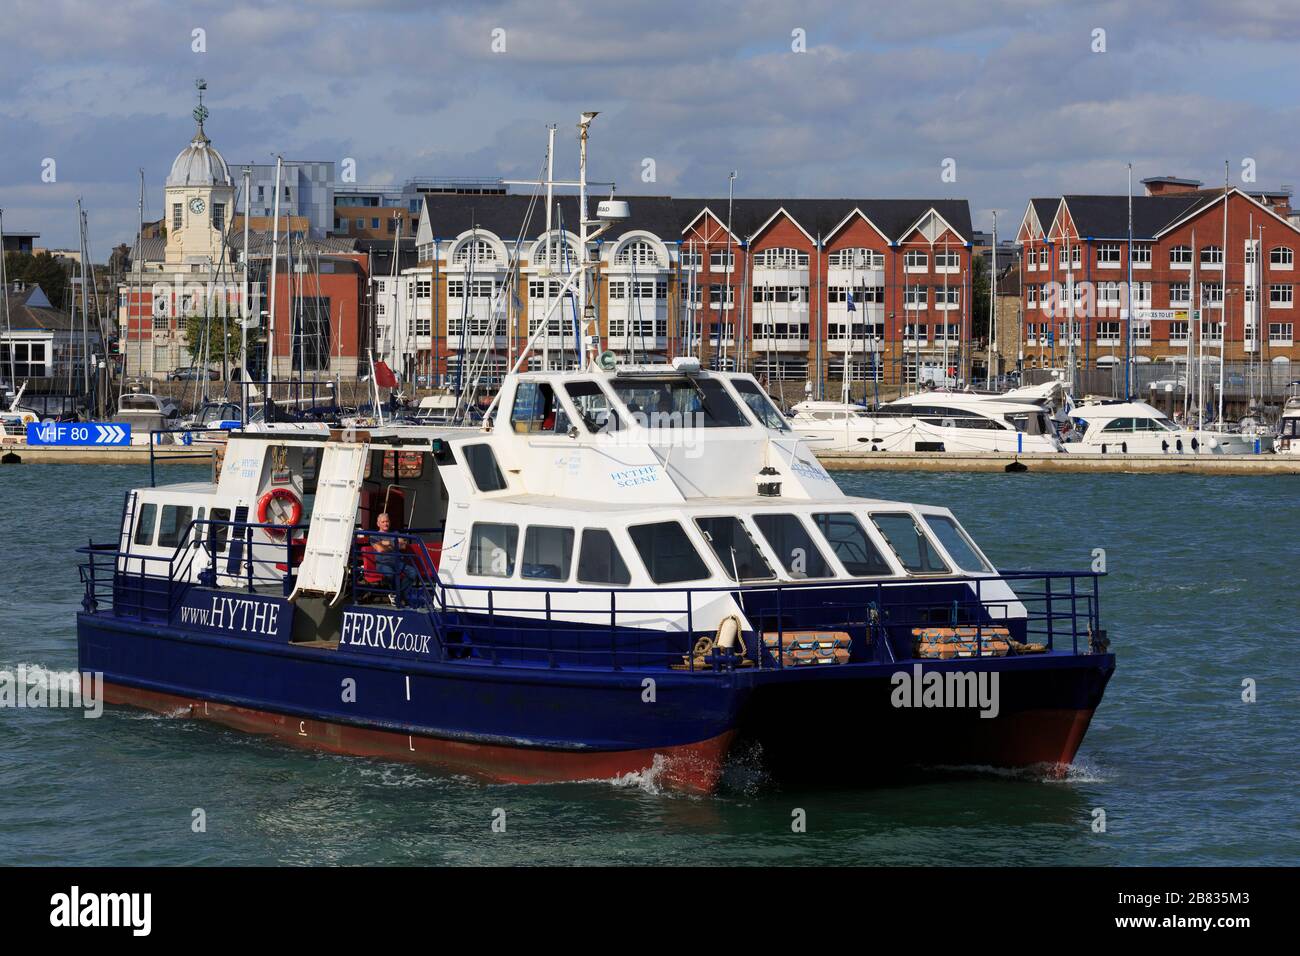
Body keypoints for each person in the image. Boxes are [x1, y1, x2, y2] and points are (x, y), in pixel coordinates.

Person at [371, 512, 420, 605]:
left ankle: (398, 596)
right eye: (383, 522)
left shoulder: (395, 533)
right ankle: (398, 596)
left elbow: (403, 546)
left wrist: (388, 543)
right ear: (378, 524)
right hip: (383, 563)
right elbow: (380, 549)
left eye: (387, 521)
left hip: (398, 561)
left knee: (413, 573)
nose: (386, 524)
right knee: (390, 574)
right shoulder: (374, 535)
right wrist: (395, 543)